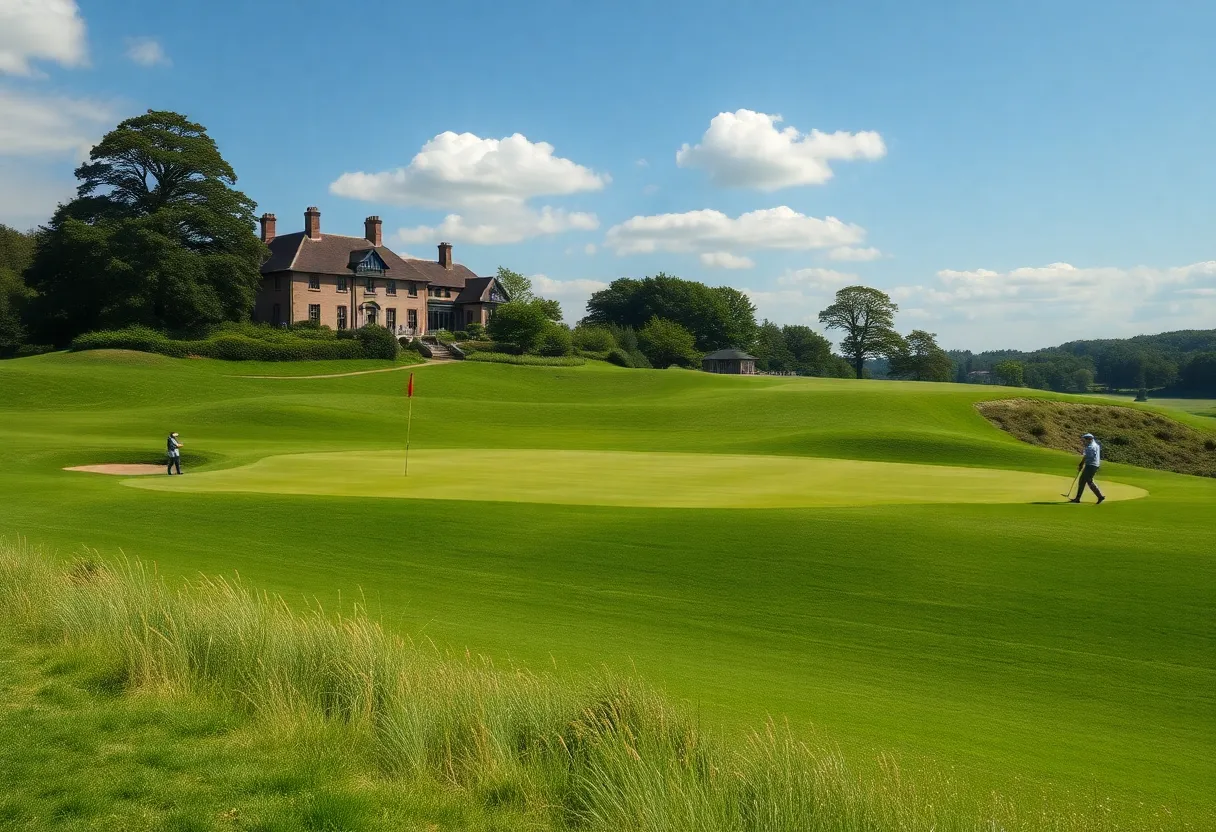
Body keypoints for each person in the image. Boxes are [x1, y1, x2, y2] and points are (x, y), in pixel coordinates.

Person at [1071, 433, 1104, 504]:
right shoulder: (1095, 445)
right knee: (1088, 481)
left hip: (1091, 465)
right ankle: (1099, 496)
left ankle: (1078, 498)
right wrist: (1082, 464)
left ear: (1089, 439)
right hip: (1094, 465)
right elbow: (1087, 456)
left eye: (1085, 439)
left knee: (1083, 481)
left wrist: (1081, 464)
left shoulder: (1090, 447)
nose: (1084, 441)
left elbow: (1087, 457)